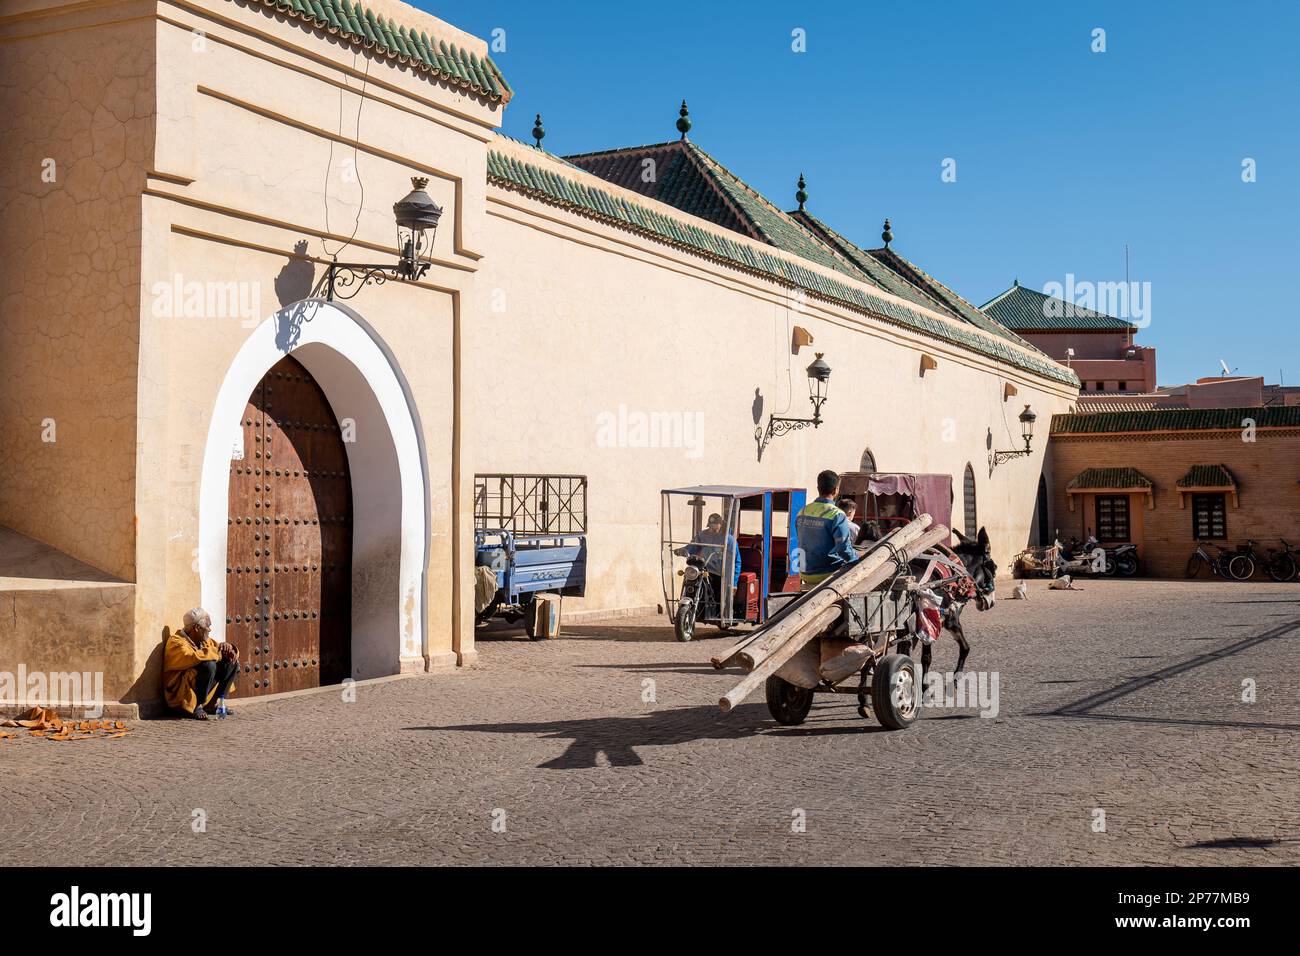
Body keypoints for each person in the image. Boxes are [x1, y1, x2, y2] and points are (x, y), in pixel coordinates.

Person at [163, 607, 240, 720]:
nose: (209, 630)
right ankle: (196, 706)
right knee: (209, 665)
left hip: (196, 685)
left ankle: (212, 704)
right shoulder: (176, 642)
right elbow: (191, 657)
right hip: (181, 694)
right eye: (207, 626)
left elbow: (215, 649)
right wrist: (217, 651)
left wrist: (228, 649)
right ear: (197, 628)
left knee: (231, 663)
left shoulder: (203, 640)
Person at [796, 470, 859, 587]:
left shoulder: (802, 511)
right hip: (827, 573)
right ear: (836, 490)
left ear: (818, 488)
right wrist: (857, 560)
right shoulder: (837, 514)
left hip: (804, 572)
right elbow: (843, 549)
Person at [677, 512, 741, 614]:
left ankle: (719, 612)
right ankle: (693, 606)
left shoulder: (729, 540)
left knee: (718, 593)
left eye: (715, 526)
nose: (712, 529)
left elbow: (736, 561)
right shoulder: (702, 535)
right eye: (710, 526)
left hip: (721, 572)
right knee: (691, 581)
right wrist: (684, 550)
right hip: (703, 568)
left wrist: (733, 583)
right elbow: (693, 546)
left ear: (720, 525)